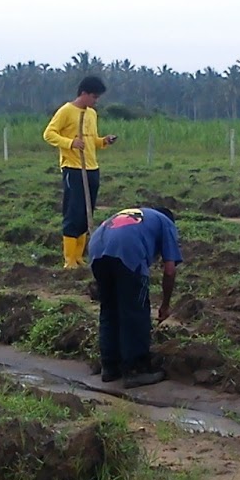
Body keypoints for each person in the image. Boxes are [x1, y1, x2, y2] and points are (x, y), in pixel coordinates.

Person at [87, 206, 182, 388]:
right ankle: (135, 370)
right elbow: (169, 270)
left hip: (97, 248)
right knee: (135, 312)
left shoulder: (139, 214)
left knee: (109, 309)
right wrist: (165, 305)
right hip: (127, 249)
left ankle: (110, 367)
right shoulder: (166, 222)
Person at [42, 76, 115, 269]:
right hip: (73, 169)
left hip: (92, 168)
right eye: (93, 96)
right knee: (73, 212)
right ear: (83, 93)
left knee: (87, 212)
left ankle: (79, 256)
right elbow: (49, 133)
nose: (95, 100)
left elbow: (92, 141)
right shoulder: (66, 111)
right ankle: (69, 259)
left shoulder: (91, 114)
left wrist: (104, 141)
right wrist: (70, 143)